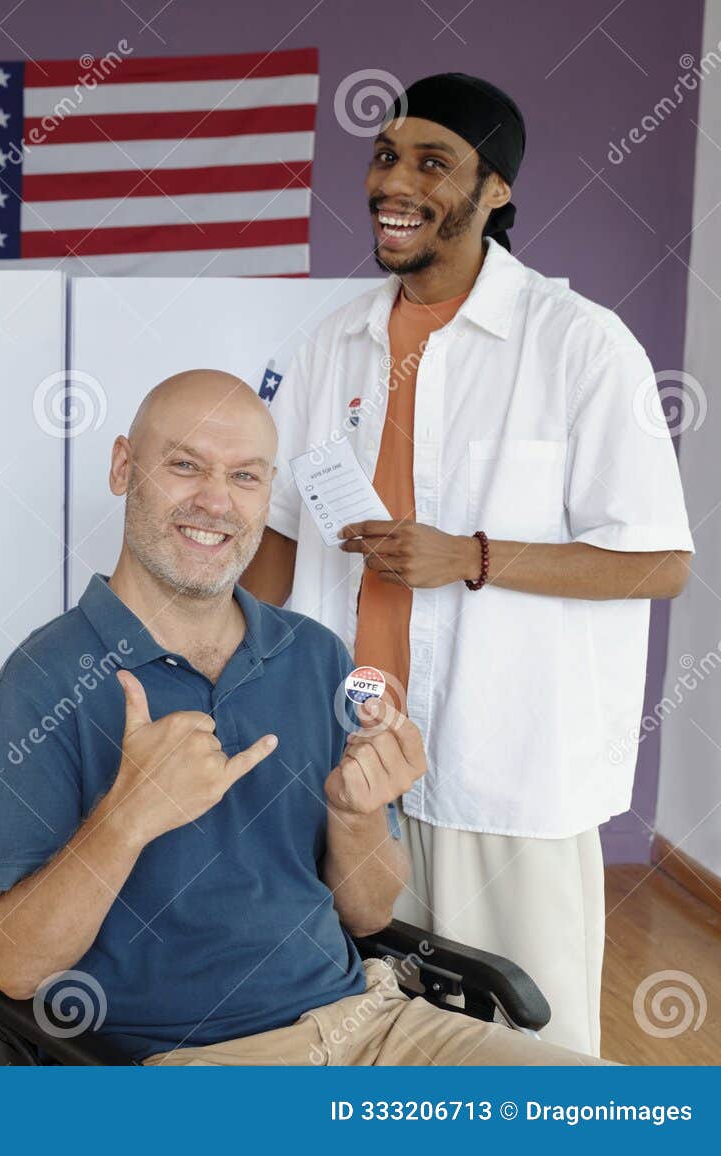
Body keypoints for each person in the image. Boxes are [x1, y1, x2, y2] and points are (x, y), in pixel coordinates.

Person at [240, 74, 694, 1056]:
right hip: (349, 757)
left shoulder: (578, 345)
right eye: (385, 155)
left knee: (532, 1045)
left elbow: (657, 561)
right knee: (365, 1029)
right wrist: (201, 633)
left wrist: (473, 556)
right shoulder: (332, 343)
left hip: (504, 765)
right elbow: (277, 538)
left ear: (495, 193)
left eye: (431, 163)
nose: (392, 183)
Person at [0, 370, 605, 1065]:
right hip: (191, 1061)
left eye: (245, 477)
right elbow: (15, 967)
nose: (215, 501)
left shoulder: (317, 657)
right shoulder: (39, 682)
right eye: (185, 466)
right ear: (124, 467)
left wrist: (357, 814)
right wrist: (129, 816)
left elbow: (367, 914)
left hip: (374, 1024)